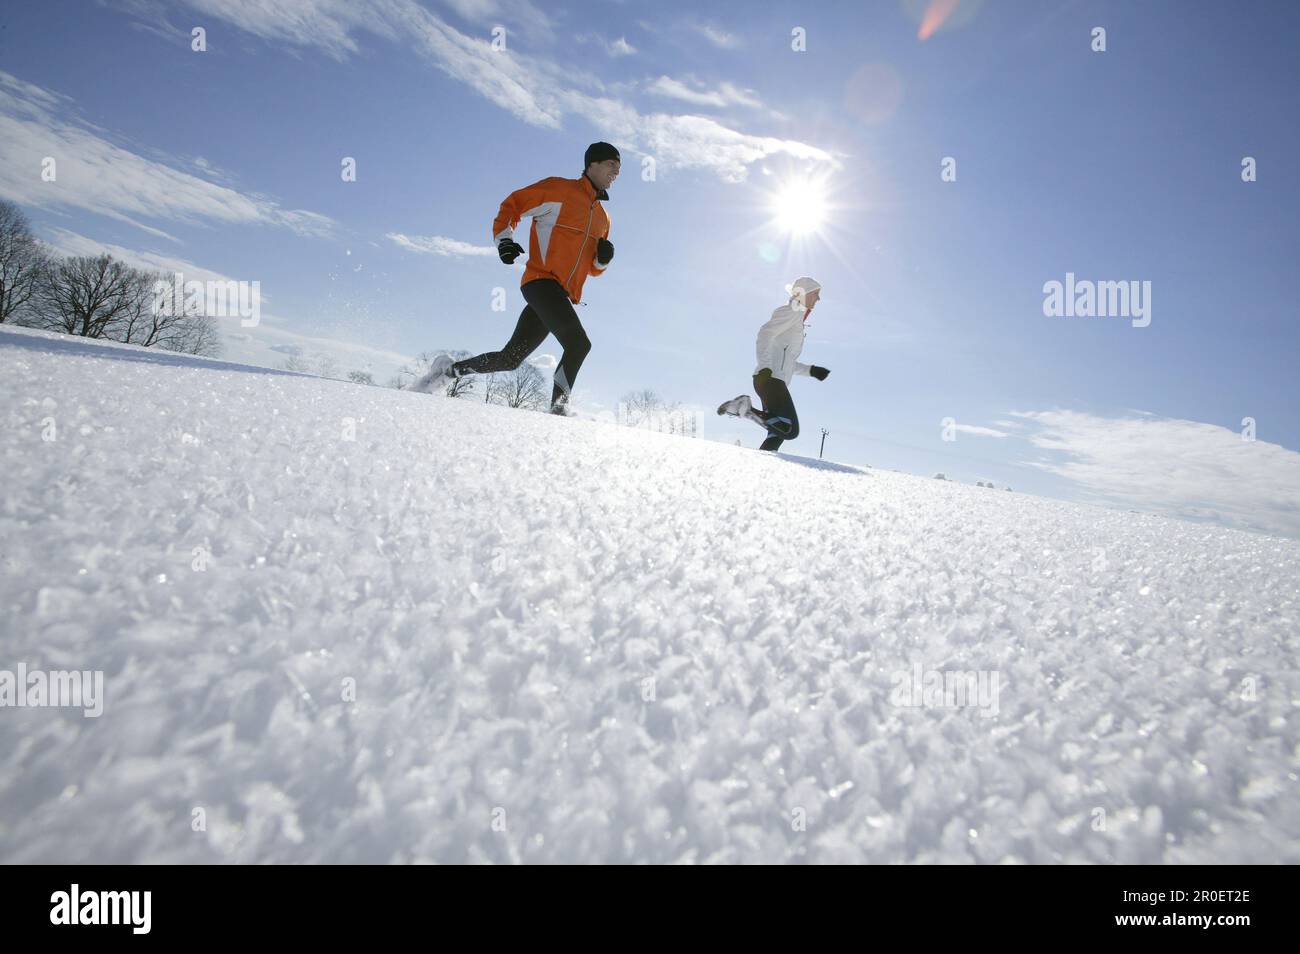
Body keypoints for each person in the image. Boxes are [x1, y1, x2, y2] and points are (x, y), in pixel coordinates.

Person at [413, 142, 620, 415]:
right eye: (611, 165)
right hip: (540, 282)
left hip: (560, 295)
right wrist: (504, 240)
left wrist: (602, 261)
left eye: (619, 168)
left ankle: (448, 371)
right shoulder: (559, 190)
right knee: (579, 344)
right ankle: (558, 410)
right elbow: (513, 205)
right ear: (591, 164)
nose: (616, 172)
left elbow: (592, 268)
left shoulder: (604, 219)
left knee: (510, 359)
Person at [716, 277, 830, 452]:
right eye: (816, 294)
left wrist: (811, 370)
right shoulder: (790, 312)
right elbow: (765, 334)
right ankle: (745, 409)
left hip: (773, 379)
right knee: (789, 429)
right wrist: (765, 366)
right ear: (805, 293)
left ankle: (762, 468)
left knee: (776, 434)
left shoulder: (797, 318)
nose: (819, 299)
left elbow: (786, 359)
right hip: (769, 378)